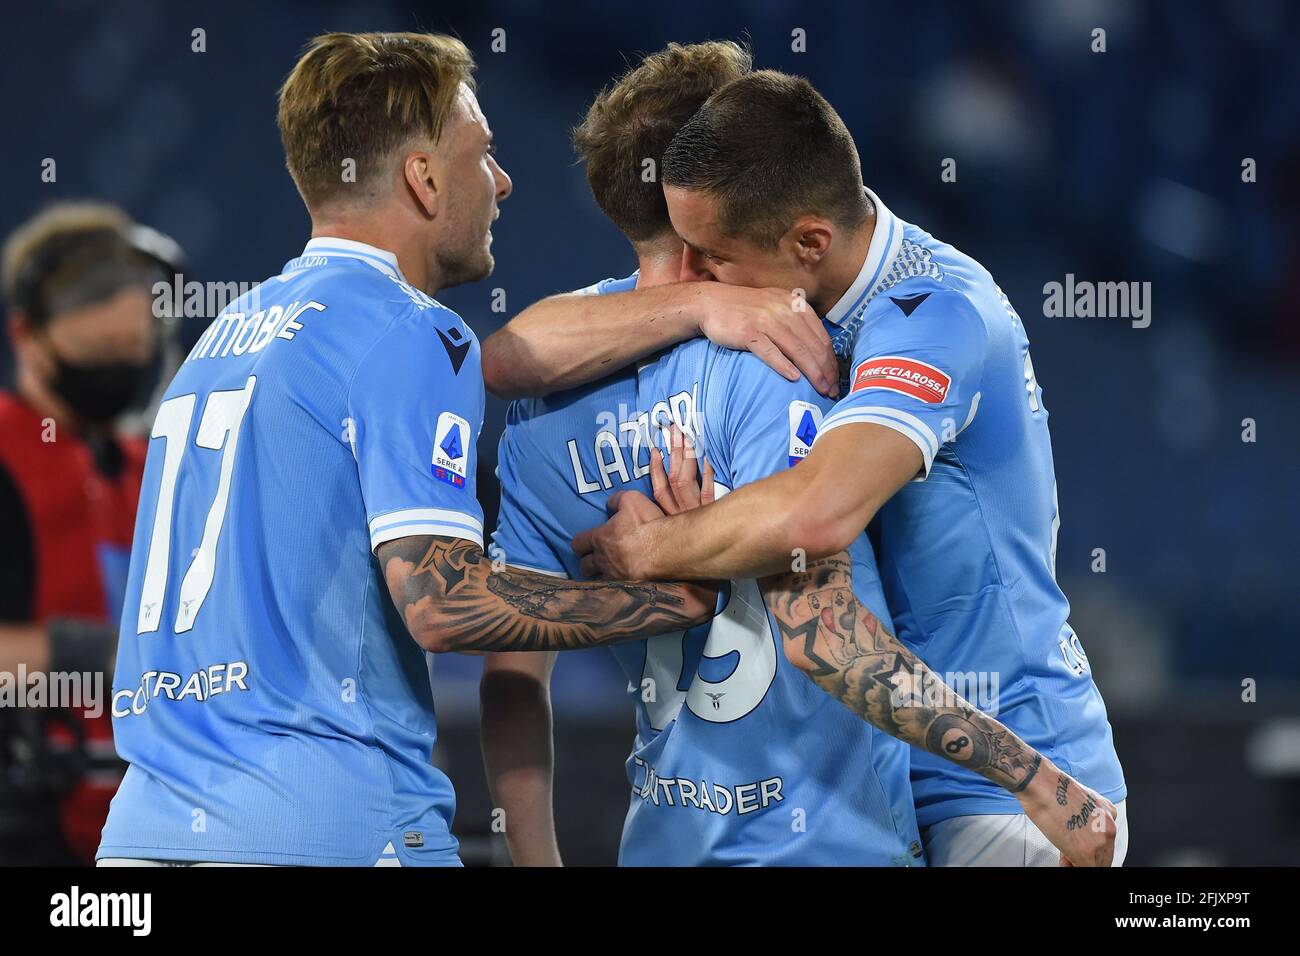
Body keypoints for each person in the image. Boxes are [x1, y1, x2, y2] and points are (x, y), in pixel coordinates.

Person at [482, 45, 1115, 867]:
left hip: (989, 783)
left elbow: (814, 515)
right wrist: (706, 300)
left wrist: (649, 548)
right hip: (877, 809)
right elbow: (817, 621)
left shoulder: (927, 309)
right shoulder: (763, 355)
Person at [95, 31, 714, 869]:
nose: (500, 182)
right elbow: (444, 605)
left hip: (138, 840)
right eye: (482, 155)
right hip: (330, 830)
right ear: (423, 179)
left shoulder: (218, 344)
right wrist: (667, 598)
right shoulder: (409, 331)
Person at [0, 201, 182, 864]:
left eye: (130, 342)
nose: (126, 354)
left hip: (147, 829)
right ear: (27, 333)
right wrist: (97, 655)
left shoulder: (154, 470)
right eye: (101, 341)